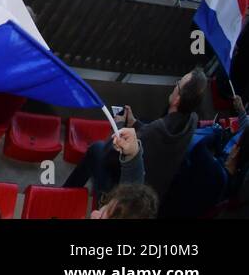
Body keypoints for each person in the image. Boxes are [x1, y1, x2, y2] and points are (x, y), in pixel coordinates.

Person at [65, 71, 206, 199]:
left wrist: (119, 124)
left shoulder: (156, 130)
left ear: (177, 100)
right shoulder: (191, 120)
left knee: (97, 149)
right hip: (151, 195)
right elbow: (153, 135)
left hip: (126, 196)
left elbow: (110, 154)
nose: (175, 86)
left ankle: (65, 194)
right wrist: (134, 123)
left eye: (178, 84)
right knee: (98, 148)